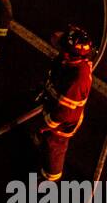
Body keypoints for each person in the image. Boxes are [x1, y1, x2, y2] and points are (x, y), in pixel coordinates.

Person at [32, 26, 95, 182]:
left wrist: (44, 125)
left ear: (68, 53)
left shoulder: (78, 79)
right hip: (53, 107)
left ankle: (50, 177)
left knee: (54, 148)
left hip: (62, 125)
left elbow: (63, 113)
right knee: (46, 141)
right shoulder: (68, 61)